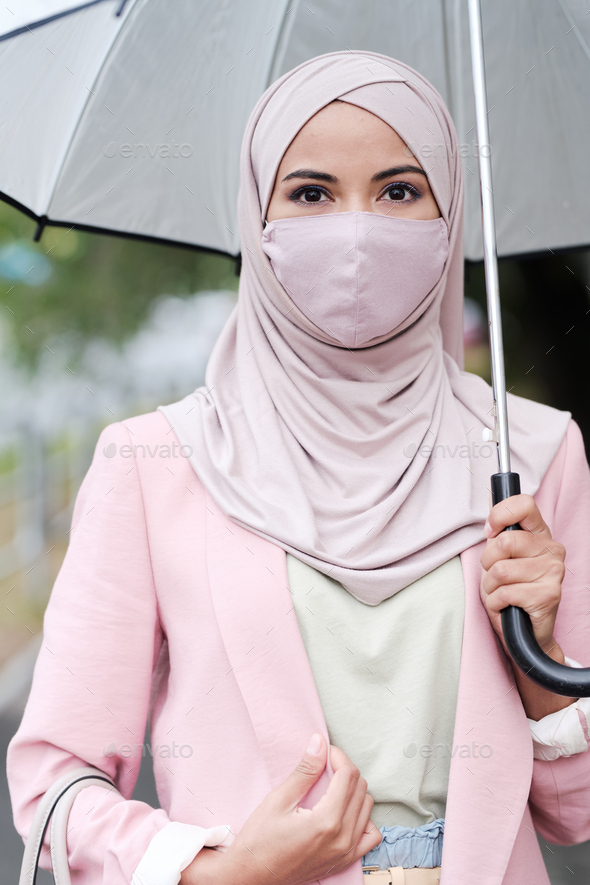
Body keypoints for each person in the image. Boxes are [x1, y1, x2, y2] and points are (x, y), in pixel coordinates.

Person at [7, 50, 590, 885]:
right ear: (258, 216)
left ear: (449, 213)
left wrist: (547, 660)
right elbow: (52, 780)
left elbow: (576, 813)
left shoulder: (533, 457)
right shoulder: (156, 462)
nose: (356, 232)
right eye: (311, 193)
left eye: (399, 190)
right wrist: (219, 869)